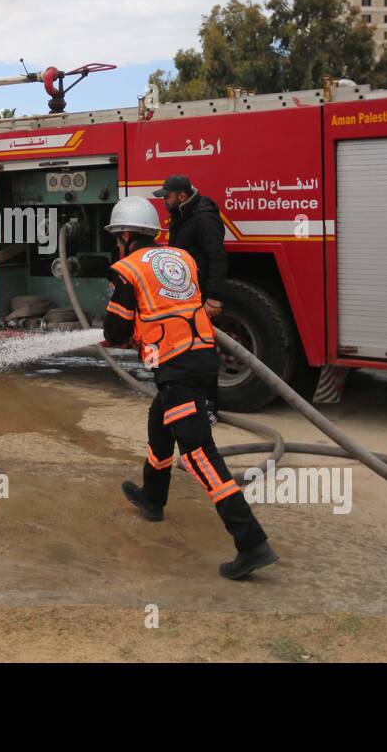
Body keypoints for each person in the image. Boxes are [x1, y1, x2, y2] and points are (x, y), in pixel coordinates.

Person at [102, 196, 278, 580]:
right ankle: (152, 497)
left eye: (118, 237)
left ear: (128, 235)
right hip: (199, 358)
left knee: (200, 456)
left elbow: (115, 331)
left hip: (179, 368)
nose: (117, 244)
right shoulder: (181, 258)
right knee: (159, 420)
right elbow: (173, 308)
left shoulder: (126, 270)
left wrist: (123, 334)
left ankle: (250, 543)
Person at [154, 175, 227, 320]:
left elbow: (217, 258)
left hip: (201, 293)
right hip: (187, 294)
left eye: (167, 197)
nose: (164, 201)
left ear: (181, 196)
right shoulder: (181, 215)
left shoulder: (204, 219)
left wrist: (213, 297)